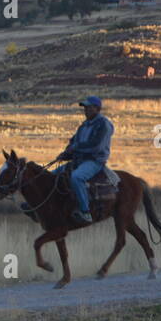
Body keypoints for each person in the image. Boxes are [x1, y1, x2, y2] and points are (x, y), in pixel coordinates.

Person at [56, 95, 113, 224]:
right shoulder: (84, 126)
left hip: (94, 161)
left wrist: (75, 148)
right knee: (51, 176)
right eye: (85, 107)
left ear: (97, 109)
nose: (85, 110)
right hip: (78, 160)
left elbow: (96, 146)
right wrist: (66, 153)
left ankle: (85, 211)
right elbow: (73, 142)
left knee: (76, 177)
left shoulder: (104, 125)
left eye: (88, 107)